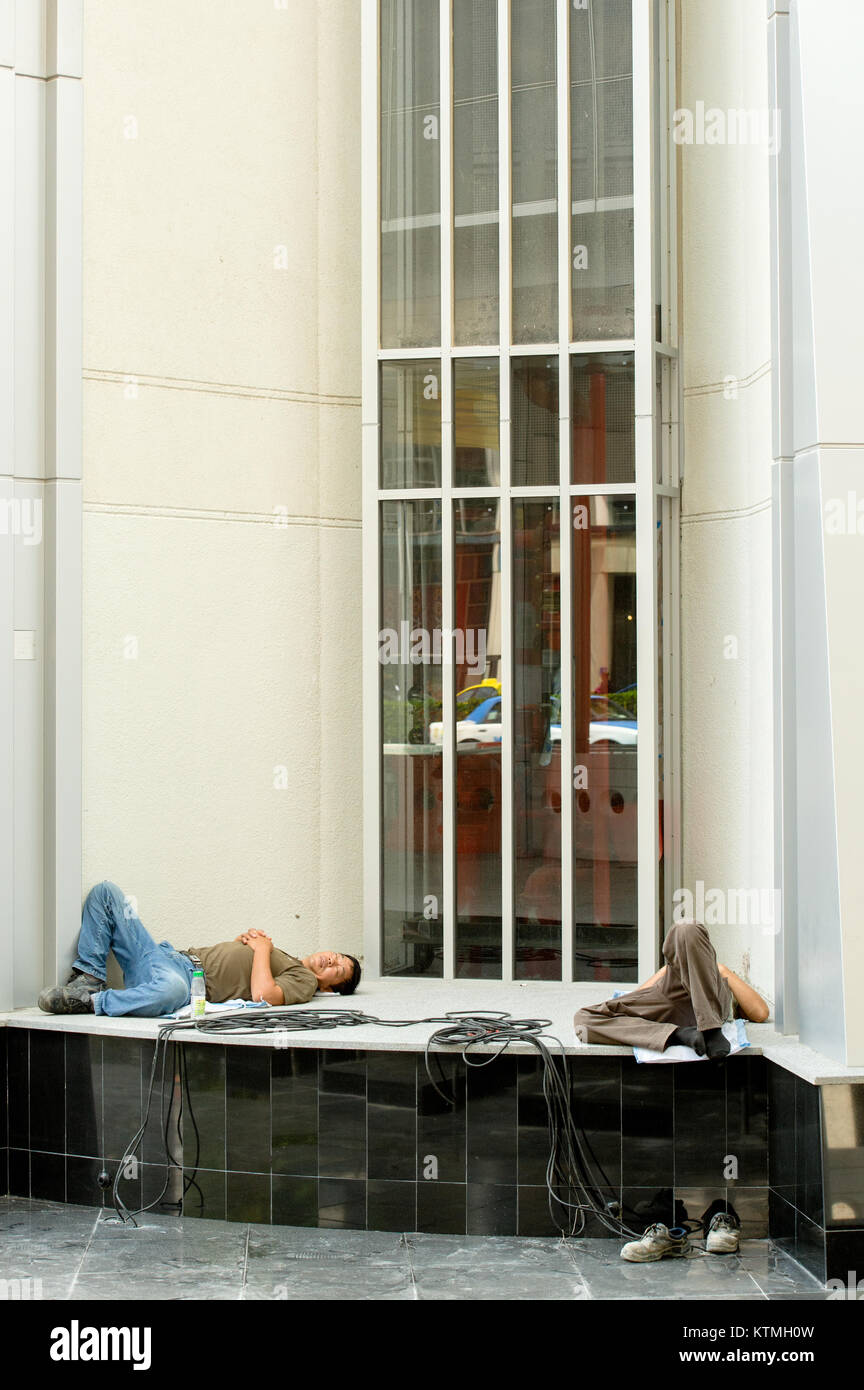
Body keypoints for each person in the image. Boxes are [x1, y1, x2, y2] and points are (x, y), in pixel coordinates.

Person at [37, 880, 361, 1018]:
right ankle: (89, 975)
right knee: (107, 893)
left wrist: (261, 949)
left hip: (185, 981)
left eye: (338, 968)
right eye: (336, 955)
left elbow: (265, 995)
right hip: (165, 956)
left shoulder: (304, 982)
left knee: (169, 991)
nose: (332, 959)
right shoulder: (288, 958)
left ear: (331, 988)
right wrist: (242, 945)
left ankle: (91, 1002)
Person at [573, 919, 769, 1058]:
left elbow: (760, 1012)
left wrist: (719, 969)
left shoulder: (719, 975)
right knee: (584, 1018)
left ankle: (710, 1028)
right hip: (674, 1002)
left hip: (711, 1002)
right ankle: (682, 1035)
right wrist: (671, 970)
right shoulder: (670, 974)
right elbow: (639, 996)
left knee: (687, 928)